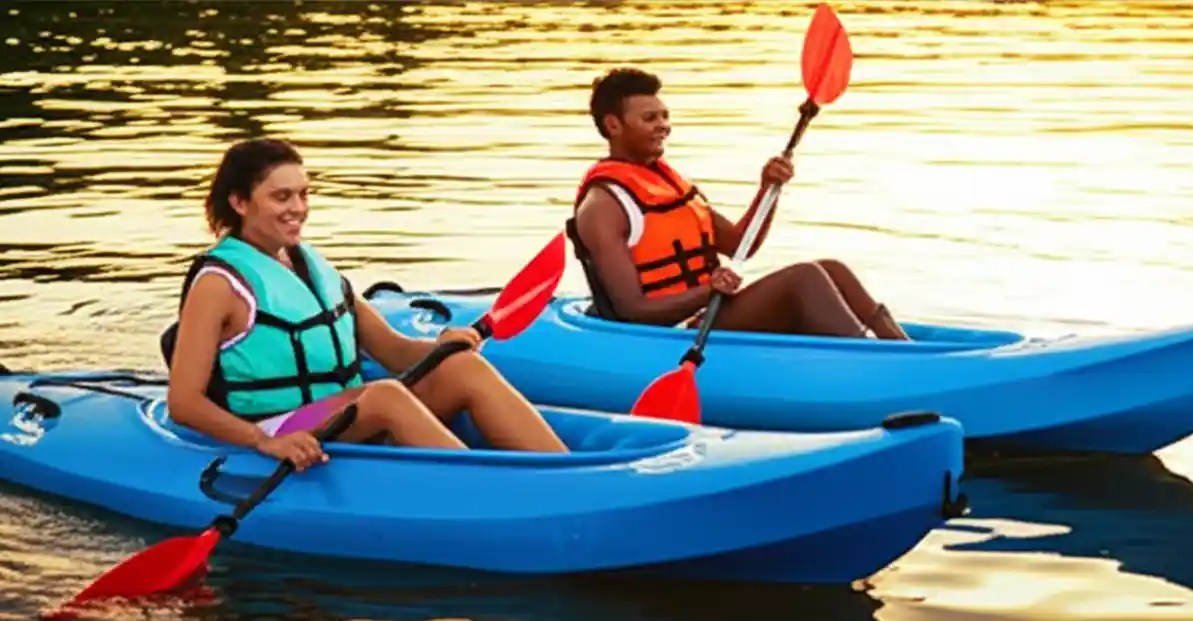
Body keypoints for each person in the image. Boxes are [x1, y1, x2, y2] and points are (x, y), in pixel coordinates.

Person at [163, 137, 568, 470]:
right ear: (239, 202)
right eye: (281, 197)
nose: (299, 209)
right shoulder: (218, 283)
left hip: (339, 411)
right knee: (382, 396)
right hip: (278, 422)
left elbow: (394, 351)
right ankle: (497, 495)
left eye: (304, 194)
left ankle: (565, 474)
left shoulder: (309, 265)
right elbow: (183, 402)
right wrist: (263, 441)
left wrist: (443, 346)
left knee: (462, 366)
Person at [566, 67, 910, 340]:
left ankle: (900, 349)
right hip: (671, 335)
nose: (664, 126)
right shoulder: (603, 206)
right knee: (804, 278)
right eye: (650, 118)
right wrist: (708, 291)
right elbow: (632, 310)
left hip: (708, 313)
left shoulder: (667, 183)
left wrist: (768, 189)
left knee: (831, 269)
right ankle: (868, 362)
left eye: (664, 116)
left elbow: (739, 245)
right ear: (613, 125)